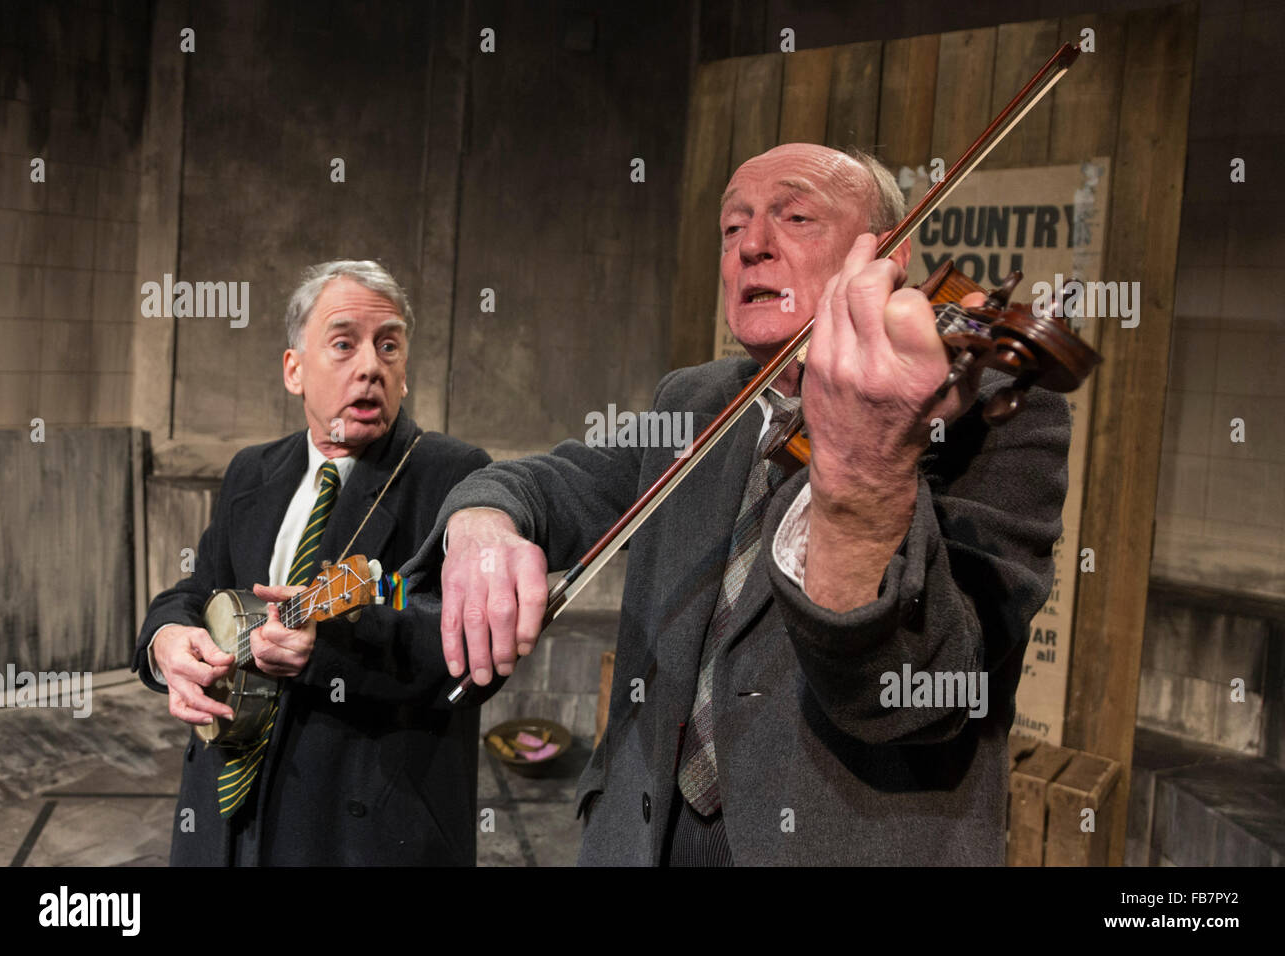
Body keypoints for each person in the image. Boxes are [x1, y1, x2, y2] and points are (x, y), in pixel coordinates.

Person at [421, 143, 1071, 865]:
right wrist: (482, 522)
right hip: (641, 841)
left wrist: (864, 473)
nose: (753, 247)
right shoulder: (695, 399)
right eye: (733, 228)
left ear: (887, 253)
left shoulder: (994, 420)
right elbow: (555, 482)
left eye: (795, 216)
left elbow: (917, 695)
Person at [133, 260, 494, 865]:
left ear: (404, 373)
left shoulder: (453, 476)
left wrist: (335, 639)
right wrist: (166, 638)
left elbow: (460, 634)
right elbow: (199, 588)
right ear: (294, 369)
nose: (371, 367)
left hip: (358, 828)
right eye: (344, 344)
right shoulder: (252, 471)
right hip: (222, 817)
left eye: (389, 346)